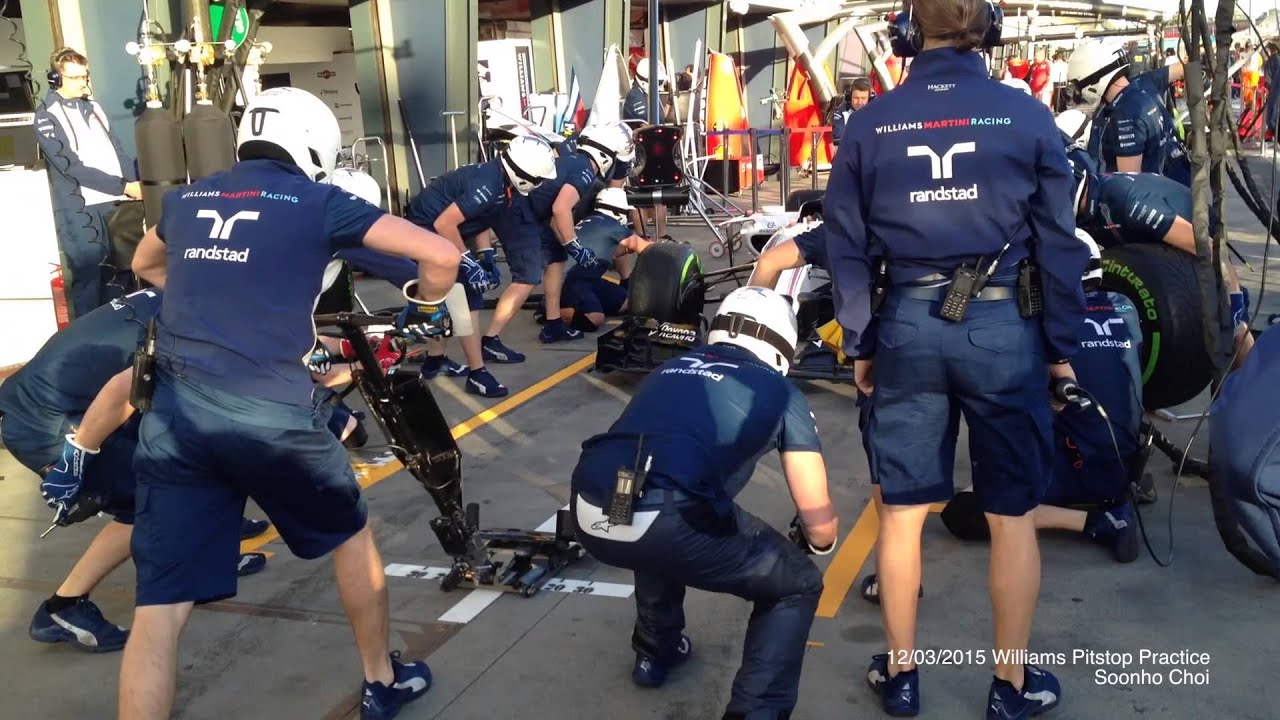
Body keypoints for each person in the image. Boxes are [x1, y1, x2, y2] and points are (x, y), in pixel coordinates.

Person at [117, 87, 459, 720]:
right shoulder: (316, 201)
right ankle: (381, 679)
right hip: (270, 416)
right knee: (350, 536)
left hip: (177, 417)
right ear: (314, 146)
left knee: (160, 608)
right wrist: (427, 309)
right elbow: (440, 254)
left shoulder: (187, 198)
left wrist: (221, 308)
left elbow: (146, 263)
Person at [824, 2, 1089, 717]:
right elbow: (1059, 246)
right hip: (1005, 328)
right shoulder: (1026, 115)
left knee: (904, 512)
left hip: (907, 321)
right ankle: (1010, 686)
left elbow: (843, 245)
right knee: (1011, 513)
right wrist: (1059, 349)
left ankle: (903, 676)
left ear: (909, 35)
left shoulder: (870, 123)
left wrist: (860, 340)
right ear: (990, 29)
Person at [569, 286, 837, 720]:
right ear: (782, 347)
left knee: (649, 507)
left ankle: (655, 652)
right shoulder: (782, 392)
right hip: (671, 512)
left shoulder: (670, 368)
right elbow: (819, 522)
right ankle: (756, 712)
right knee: (797, 585)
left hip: (589, 497)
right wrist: (818, 544)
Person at [861, 232, 1142, 597]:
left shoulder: (1049, 334)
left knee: (977, 506)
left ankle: (1095, 521)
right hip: (1125, 465)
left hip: (1072, 468)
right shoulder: (1126, 307)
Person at [0, 288, 273, 654]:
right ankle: (62, 608)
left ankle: (202, 558)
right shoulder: (193, 329)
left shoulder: (186, 291)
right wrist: (76, 457)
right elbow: (122, 393)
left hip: (65, 399)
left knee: (192, 466)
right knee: (147, 503)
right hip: (49, 421)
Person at [1066, 146, 1256, 365]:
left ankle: (1251, 383)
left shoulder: (1128, 203)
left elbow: (1210, 251)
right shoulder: (1091, 201)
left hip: (1194, 231)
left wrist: (1235, 305)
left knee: (1235, 331)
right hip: (1149, 239)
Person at [404, 135, 558, 397]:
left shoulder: (499, 179)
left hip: (436, 234)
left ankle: (435, 360)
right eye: (538, 179)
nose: (539, 184)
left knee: (444, 297)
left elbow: (480, 217)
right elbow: (445, 224)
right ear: (523, 175)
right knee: (466, 299)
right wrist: (467, 260)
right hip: (426, 234)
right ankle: (477, 373)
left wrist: (485, 254)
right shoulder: (488, 185)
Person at [480, 121, 632, 358]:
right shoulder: (584, 171)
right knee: (527, 278)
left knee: (556, 259)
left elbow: (555, 215)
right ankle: (490, 339)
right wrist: (575, 245)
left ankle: (553, 324)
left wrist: (566, 244)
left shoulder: (574, 162)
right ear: (606, 154)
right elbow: (561, 209)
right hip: (522, 214)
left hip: (533, 214)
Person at [34, 47, 142, 320]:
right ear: (56, 79)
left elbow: (117, 151)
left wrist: (135, 184)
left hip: (115, 201)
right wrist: (124, 186)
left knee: (122, 273)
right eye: (75, 77)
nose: (83, 82)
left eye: (85, 76)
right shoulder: (47, 115)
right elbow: (71, 166)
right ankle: (87, 341)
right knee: (89, 276)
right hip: (79, 208)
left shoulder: (94, 107)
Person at [1066, 38, 1190, 186]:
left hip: (1146, 197)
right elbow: (1184, 67)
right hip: (1173, 186)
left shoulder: (1124, 114)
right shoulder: (1145, 83)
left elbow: (1129, 184)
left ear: (1093, 79)